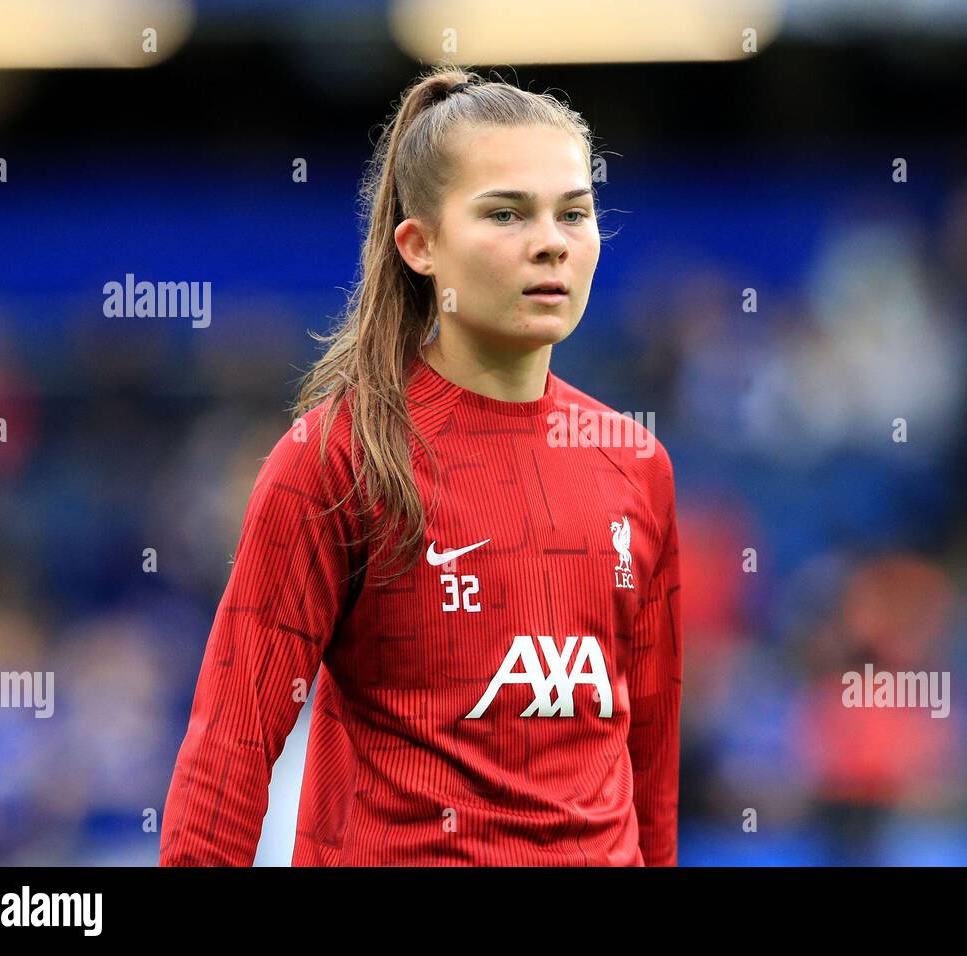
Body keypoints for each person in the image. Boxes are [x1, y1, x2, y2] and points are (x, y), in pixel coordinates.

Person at [159, 66, 682, 866]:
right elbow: (230, 745)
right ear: (421, 245)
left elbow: (650, 765)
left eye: (574, 212)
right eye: (506, 212)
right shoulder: (338, 457)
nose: (550, 241)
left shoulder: (636, 464)